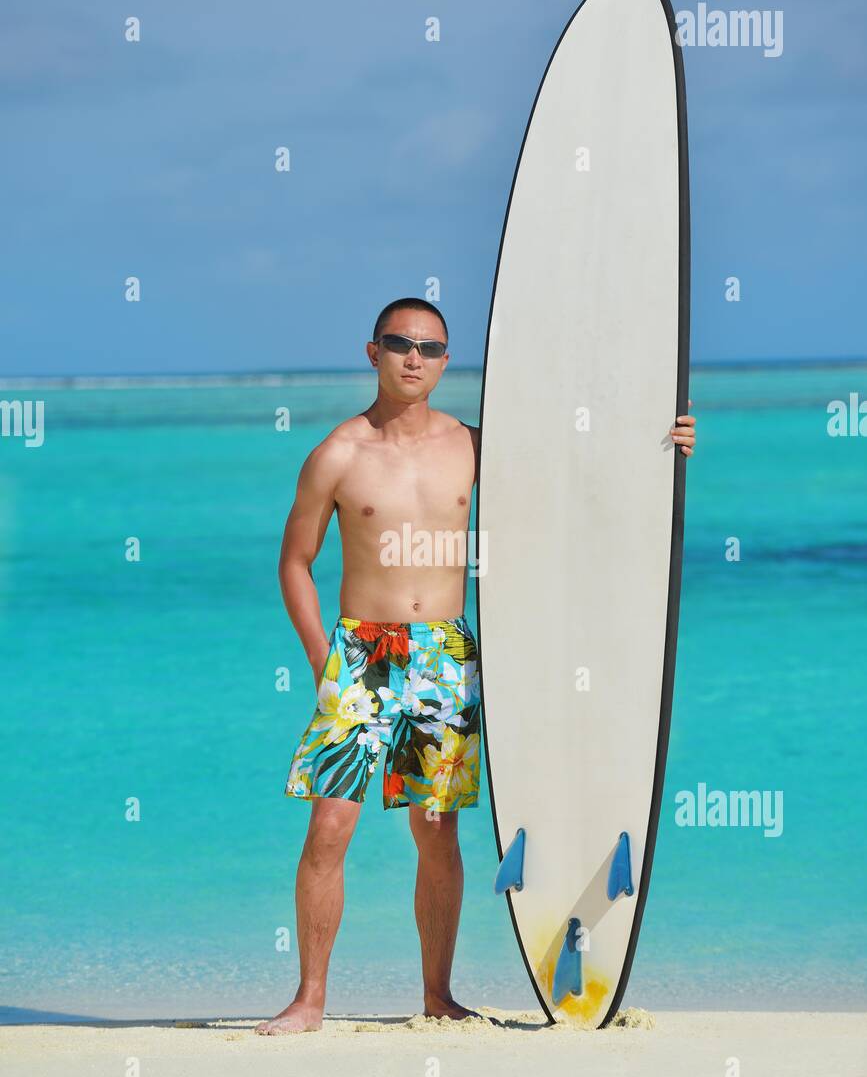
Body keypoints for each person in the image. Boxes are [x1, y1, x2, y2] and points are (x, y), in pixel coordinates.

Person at [256, 297, 696, 1034]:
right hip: (364, 654)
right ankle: (309, 1000)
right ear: (372, 352)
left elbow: (574, 476)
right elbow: (294, 562)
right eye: (398, 344)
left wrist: (663, 443)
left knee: (436, 830)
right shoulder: (339, 453)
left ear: (445, 360)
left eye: (429, 347)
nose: (413, 358)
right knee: (330, 826)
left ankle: (437, 994)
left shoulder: (474, 446)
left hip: (446, 653)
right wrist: (321, 656)